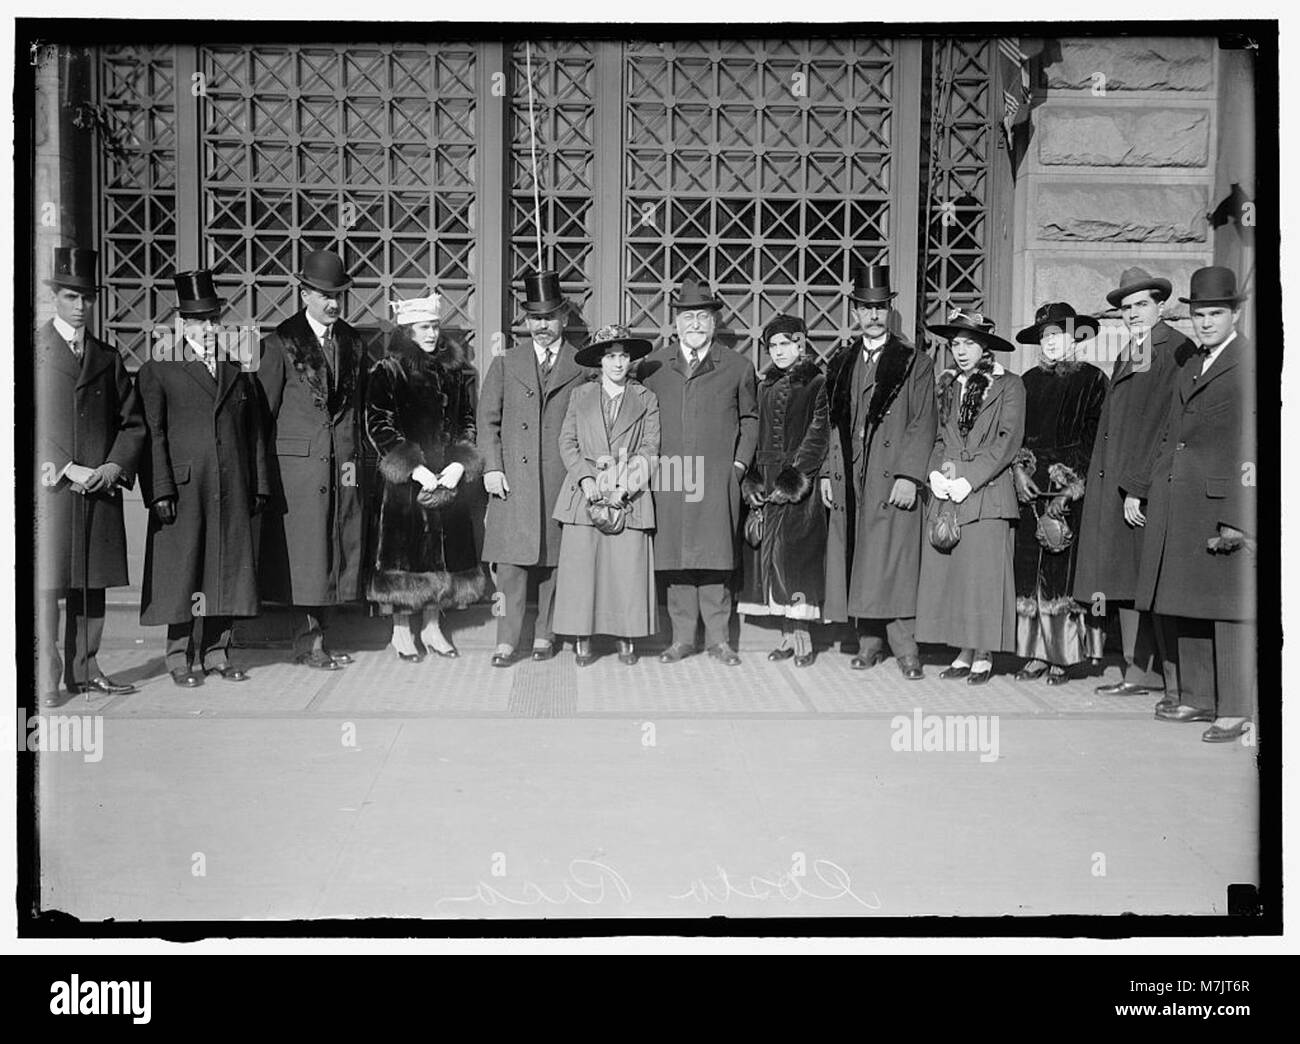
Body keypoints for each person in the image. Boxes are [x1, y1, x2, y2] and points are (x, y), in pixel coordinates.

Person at [1126, 267, 1256, 743]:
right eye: (1199, 314)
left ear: (1235, 315)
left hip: (1224, 502)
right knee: (1188, 602)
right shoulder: (1191, 364)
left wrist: (1241, 517)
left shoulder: (1247, 362)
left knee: (1228, 609)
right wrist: (1146, 484)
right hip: (1180, 498)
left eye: (1215, 314)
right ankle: (1199, 697)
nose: (1204, 323)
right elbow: (1170, 432)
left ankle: (1237, 707)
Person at [138, 271, 271, 686]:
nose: (210, 328)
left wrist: (259, 484)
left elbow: (255, 435)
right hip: (184, 487)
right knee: (184, 570)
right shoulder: (160, 369)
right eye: (199, 320)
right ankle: (179, 657)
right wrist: (159, 487)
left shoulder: (238, 368)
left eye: (214, 319)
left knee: (224, 569)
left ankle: (217, 653)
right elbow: (152, 433)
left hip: (231, 486)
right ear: (182, 324)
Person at [1073, 266, 1194, 698]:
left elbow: (1168, 423)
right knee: (1124, 581)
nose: (1132, 313)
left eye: (1141, 304)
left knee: (1152, 582)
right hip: (1118, 485)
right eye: (1125, 308)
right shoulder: (1134, 348)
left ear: (1161, 306)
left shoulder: (1175, 349)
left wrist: (1138, 487)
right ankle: (1136, 671)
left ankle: (1174, 682)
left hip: (1143, 487)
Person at [35, 246, 146, 705]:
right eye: (70, 297)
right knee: (48, 588)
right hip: (53, 492)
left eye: (86, 298)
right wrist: (63, 467)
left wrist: (113, 466)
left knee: (90, 583)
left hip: (99, 489)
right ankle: (45, 676)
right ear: (55, 299)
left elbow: (132, 421)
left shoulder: (106, 355)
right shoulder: (34, 351)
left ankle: (87, 669)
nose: (79, 306)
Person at [821, 264, 936, 680]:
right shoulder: (842, 361)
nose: (872, 315)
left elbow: (924, 421)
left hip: (890, 476)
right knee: (861, 557)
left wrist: (910, 475)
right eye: (865, 308)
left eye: (880, 308)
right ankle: (868, 644)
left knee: (894, 561)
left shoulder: (912, 362)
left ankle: (906, 649)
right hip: (851, 476)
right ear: (854, 311)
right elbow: (829, 423)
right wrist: (825, 475)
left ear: (889, 311)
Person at [256, 250, 368, 671]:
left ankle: (322, 638)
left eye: (338, 293)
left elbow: (356, 408)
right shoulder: (279, 343)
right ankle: (308, 644)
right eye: (323, 294)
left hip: (342, 467)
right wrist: (263, 476)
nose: (333, 302)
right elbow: (263, 415)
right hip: (297, 473)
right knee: (306, 557)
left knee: (337, 551)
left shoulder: (354, 342)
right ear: (305, 294)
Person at [639, 279, 759, 666]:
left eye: (703, 316)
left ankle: (720, 641)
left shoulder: (738, 366)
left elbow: (751, 418)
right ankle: (681, 639)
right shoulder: (655, 367)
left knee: (714, 560)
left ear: (714, 322)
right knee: (675, 561)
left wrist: (738, 464)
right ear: (675, 322)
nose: (695, 323)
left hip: (715, 476)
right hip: (672, 475)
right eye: (688, 316)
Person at [364, 292, 485, 660]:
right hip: (405, 483)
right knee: (405, 555)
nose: (432, 334)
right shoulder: (388, 369)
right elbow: (377, 423)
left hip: (447, 479)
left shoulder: (456, 370)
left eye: (435, 326)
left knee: (442, 555)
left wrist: (460, 463)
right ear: (407, 329)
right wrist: (412, 467)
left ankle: (432, 628)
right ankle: (401, 632)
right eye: (424, 327)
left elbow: (467, 420)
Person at [478, 270, 587, 666]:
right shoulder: (507, 363)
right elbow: (487, 420)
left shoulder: (582, 364)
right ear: (526, 322)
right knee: (510, 566)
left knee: (554, 564)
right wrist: (492, 467)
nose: (542, 325)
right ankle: (506, 640)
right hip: (514, 481)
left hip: (561, 480)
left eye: (550, 317)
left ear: (565, 318)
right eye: (535, 318)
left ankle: (545, 634)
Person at [916, 309, 1025, 684]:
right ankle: (963, 650)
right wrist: (935, 472)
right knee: (956, 576)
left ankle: (984, 653)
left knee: (983, 576)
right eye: (956, 344)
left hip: (988, 491)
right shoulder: (947, 385)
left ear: (986, 347)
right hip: (949, 488)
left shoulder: (1009, 385)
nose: (961, 351)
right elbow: (937, 437)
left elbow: (1006, 442)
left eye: (970, 343)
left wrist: (970, 479)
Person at [551, 325, 661, 666]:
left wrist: (624, 486)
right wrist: (585, 479)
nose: (618, 363)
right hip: (585, 490)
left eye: (624, 356)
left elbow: (651, 447)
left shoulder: (646, 398)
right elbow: (567, 441)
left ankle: (626, 635)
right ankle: (581, 635)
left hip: (628, 492)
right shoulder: (580, 396)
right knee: (583, 568)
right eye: (611, 356)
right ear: (600, 361)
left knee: (626, 568)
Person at [1011, 302, 1108, 684]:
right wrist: (1018, 470)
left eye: (1058, 335)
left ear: (1074, 337)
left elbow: (1094, 439)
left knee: (1059, 573)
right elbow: (1014, 435)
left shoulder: (1092, 380)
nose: (1051, 343)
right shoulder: (1028, 381)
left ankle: (1062, 657)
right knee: (1029, 572)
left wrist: (1072, 487)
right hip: (1030, 488)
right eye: (1045, 337)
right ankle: (1033, 654)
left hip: (1067, 489)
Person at [738, 314, 830, 667]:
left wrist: (794, 477)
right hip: (766, 476)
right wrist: (754, 480)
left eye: (785, 344)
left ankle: (803, 640)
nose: (778, 351)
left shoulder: (818, 382)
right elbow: (757, 432)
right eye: (773, 346)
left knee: (797, 560)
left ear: (800, 345)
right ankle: (787, 638)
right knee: (770, 559)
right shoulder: (763, 385)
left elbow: (819, 432)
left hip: (798, 483)